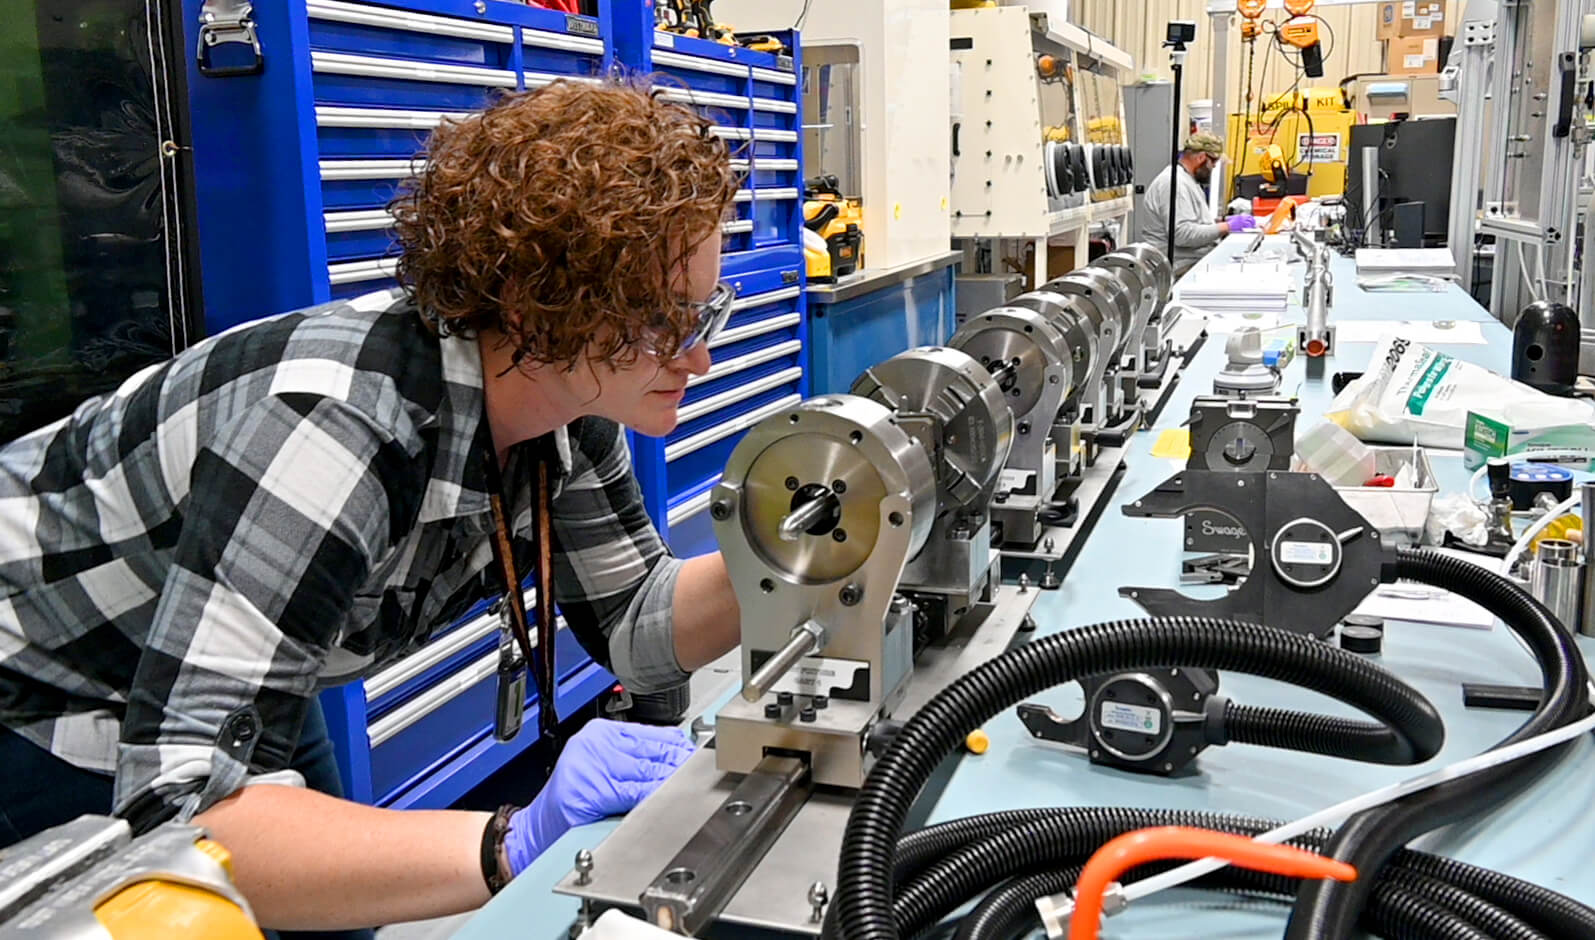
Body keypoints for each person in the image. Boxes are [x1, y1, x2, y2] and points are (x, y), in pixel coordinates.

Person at [0, 80, 743, 933]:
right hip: (41, 678)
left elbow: (635, 623)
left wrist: (813, 552)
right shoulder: (331, 431)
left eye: (702, 312)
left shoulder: (564, 410)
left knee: (336, 911)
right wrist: (511, 840)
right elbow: (190, 818)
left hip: (209, 674)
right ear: (541, 308)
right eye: (662, 322)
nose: (700, 358)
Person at [1142, 133, 1258, 275]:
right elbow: (1182, 234)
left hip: (1191, 260)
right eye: (1213, 162)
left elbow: (1194, 221)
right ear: (1201, 157)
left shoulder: (1188, 180)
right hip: (1178, 268)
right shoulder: (1175, 183)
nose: (1214, 167)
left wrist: (1221, 221)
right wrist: (1226, 227)